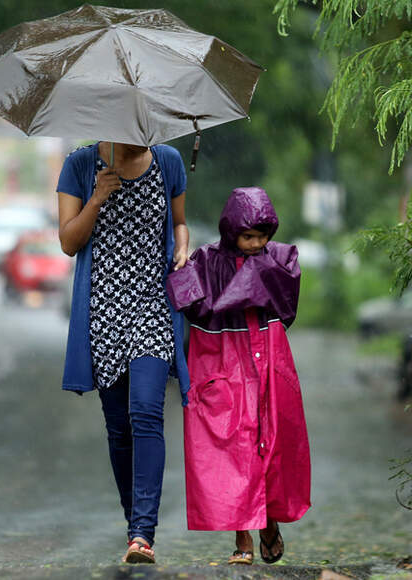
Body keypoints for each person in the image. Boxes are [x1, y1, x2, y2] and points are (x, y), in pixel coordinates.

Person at [56, 141, 191, 564]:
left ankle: (142, 534)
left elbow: (181, 223)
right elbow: (68, 242)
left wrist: (183, 246)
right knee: (118, 429)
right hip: (104, 312)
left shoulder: (167, 161)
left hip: (153, 308)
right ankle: (134, 522)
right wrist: (97, 196)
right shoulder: (78, 165)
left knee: (147, 411)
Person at [166, 186, 311, 565]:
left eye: (262, 236)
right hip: (225, 365)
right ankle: (243, 538)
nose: (255, 244)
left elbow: (286, 302)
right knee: (232, 450)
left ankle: (269, 521)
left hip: (268, 360)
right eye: (248, 236)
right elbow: (186, 299)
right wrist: (183, 264)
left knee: (272, 445)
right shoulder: (207, 261)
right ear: (232, 232)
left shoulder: (277, 259)